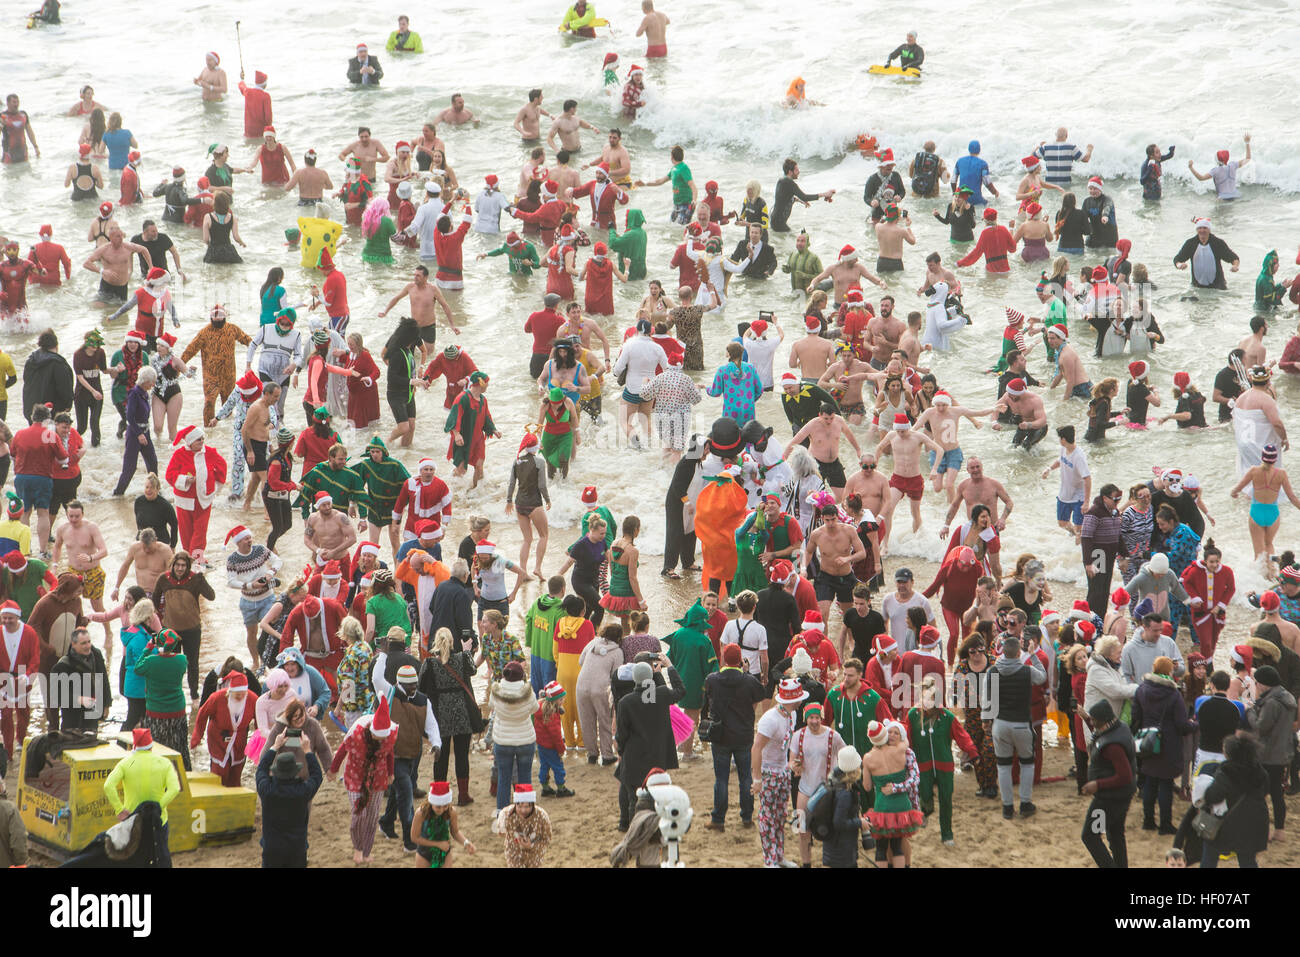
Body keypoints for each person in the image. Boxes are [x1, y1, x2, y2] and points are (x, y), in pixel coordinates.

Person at [102, 729, 181, 867]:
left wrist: (119, 809)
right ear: (151, 745)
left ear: (134, 746)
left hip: (134, 821)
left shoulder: (126, 763)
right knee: (160, 854)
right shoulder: (164, 763)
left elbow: (108, 785)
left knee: (136, 858)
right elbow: (175, 789)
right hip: (159, 820)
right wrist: (157, 807)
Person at [1198, 732, 1270, 868]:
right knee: (1247, 860)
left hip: (1229, 822)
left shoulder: (1226, 772)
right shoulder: (1260, 771)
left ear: (1230, 753)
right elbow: (1265, 791)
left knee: (1209, 854)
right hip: (1256, 821)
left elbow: (1213, 796)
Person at [255, 727, 324, 867]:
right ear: (295, 772)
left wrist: (275, 746)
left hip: (272, 848)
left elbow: (261, 769)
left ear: (276, 771)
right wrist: (307, 750)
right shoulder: (303, 791)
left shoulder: (267, 790)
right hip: (296, 848)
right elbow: (317, 775)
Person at [1246, 665, 1295, 840]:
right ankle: (1279, 830)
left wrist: (1250, 711)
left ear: (1265, 684)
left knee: (1260, 794)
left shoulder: (1272, 703)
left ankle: (1264, 830)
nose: (1256, 685)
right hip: (1283, 753)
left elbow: (1260, 727)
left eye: (1257, 682)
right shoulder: (1287, 697)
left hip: (1267, 755)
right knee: (1277, 794)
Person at [48, 625, 111, 734]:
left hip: (92, 715)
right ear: (73, 644)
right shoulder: (63, 665)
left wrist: (106, 704)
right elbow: (55, 696)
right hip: (72, 718)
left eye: (89, 642)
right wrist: (79, 699)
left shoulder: (96, 655)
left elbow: (103, 680)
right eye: (83, 643)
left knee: (91, 746)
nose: (87, 646)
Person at [634, 145, 696, 225]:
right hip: (677, 205)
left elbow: (693, 186)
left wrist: (694, 200)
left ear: (672, 157)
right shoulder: (674, 169)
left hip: (686, 205)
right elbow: (660, 181)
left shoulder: (684, 168)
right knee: (671, 227)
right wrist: (645, 183)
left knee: (681, 228)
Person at [1173, 218, 1239, 289]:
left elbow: (1234, 258)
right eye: (1199, 228)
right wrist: (1180, 265)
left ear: (1209, 229)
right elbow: (1177, 259)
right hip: (1197, 286)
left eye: (1205, 228)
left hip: (1218, 286)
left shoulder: (1218, 243)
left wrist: (1235, 266)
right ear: (1196, 230)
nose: (1202, 231)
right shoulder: (1190, 243)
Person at [1188, 134, 1251, 200]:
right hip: (1236, 195)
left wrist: (1191, 167)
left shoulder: (1215, 171)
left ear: (1217, 159)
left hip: (1222, 198)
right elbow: (1248, 158)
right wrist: (1247, 143)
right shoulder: (1233, 165)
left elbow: (1201, 178)